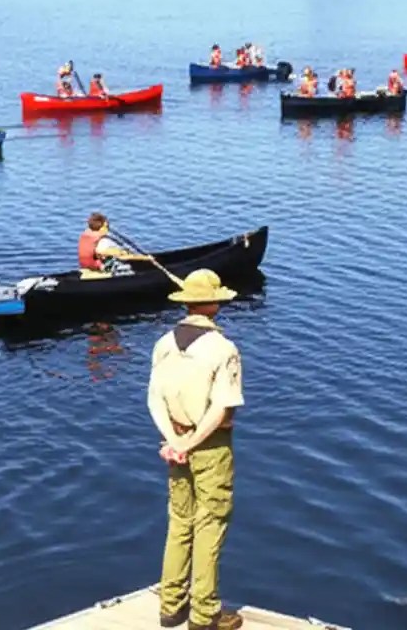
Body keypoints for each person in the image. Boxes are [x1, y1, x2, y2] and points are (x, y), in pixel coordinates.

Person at [148, 268, 245, 630]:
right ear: (215, 304)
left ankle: (171, 605)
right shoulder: (224, 349)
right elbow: (221, 408)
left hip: (174, 440)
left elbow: (154, 399)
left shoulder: (163, 344)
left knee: (179, 522)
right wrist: (190, 442)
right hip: (210, 446)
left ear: (186, 301)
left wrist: (174, 441)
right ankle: (205, 614)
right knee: (210, 523)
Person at [78, 212, 149, 275]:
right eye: (107, 226)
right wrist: (144, 258)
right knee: (127, 267)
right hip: (100, 267)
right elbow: (120, 256)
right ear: (103, 226)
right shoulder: (103, 241)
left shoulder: (87, 234)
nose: (108, 228)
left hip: (86, 265)